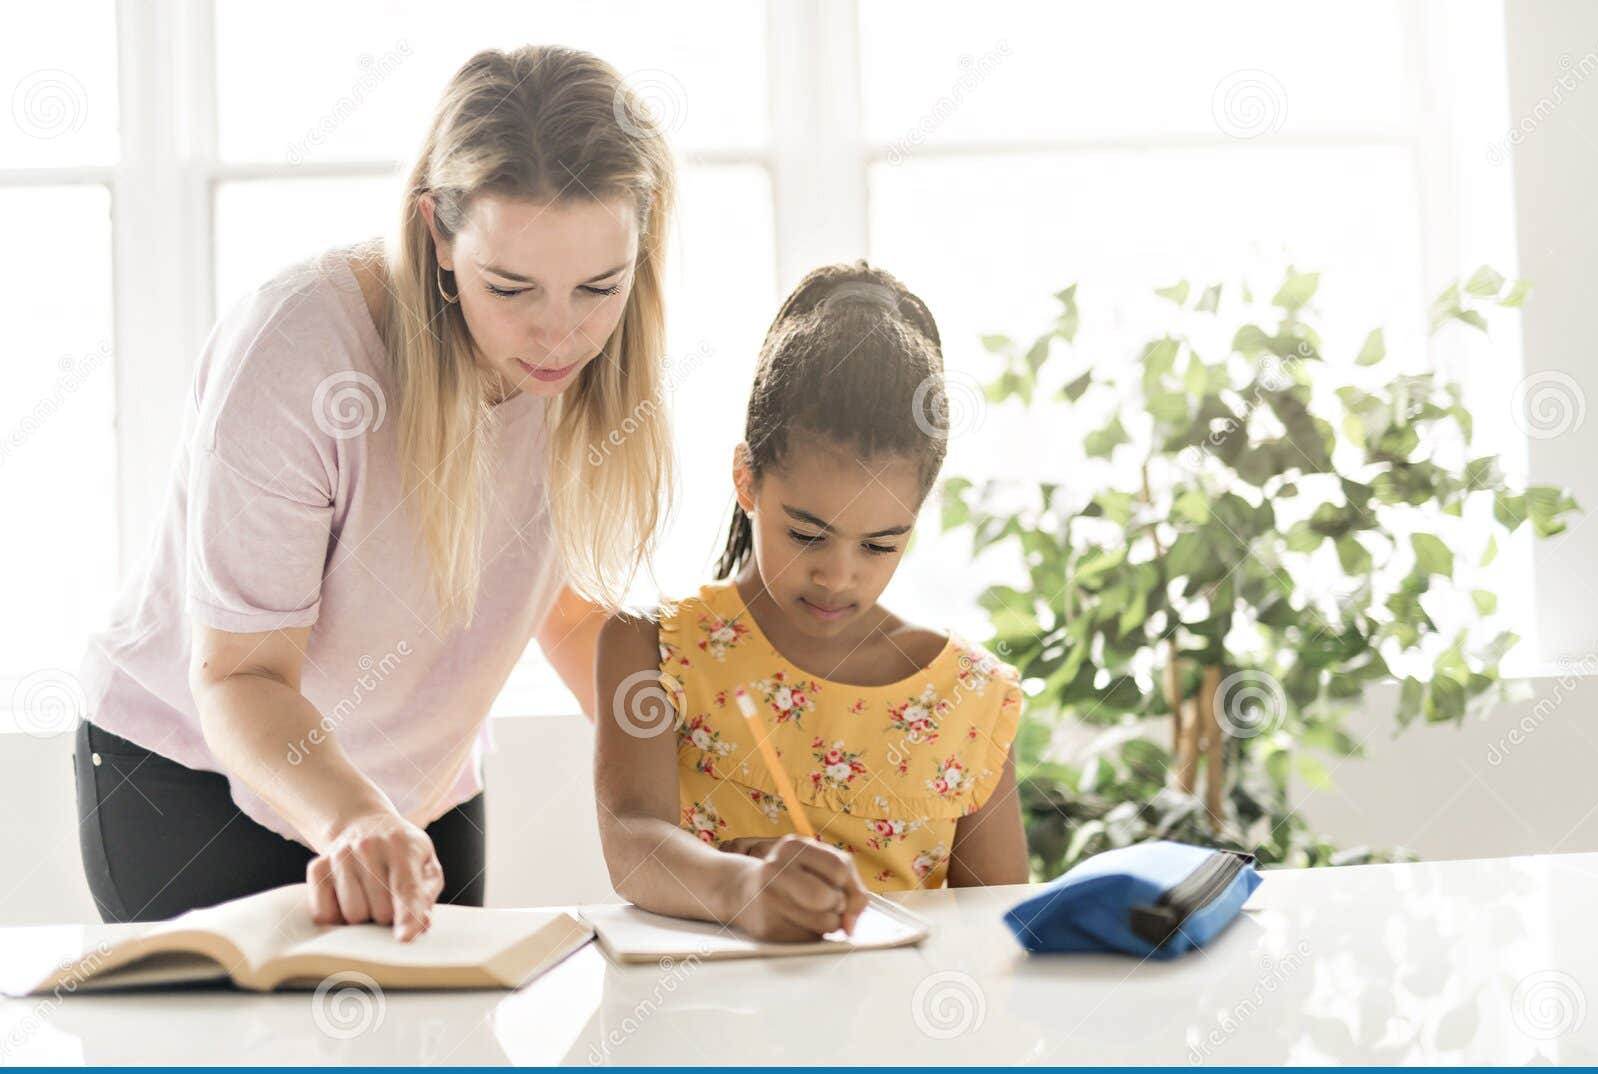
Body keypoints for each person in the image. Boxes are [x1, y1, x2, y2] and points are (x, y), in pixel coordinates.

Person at [73, 45, 676, 939]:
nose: (562, 332)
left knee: (443, 1073)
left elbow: (565, 607)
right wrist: (352, 818)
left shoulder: (591, 361)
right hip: (195, 776)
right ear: (436, 230)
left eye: (600, 286)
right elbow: (242, 673)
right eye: (510, 286)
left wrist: (710, 787)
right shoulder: (302, 351)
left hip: (418, 788)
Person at [594, 261, 1029, 942]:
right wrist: (741, 887)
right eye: (806, 533)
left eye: (880, 544)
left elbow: (997, 935)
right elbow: (633, 842)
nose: (837, 575)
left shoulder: (970, 698)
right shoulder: (653, 649)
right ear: (747, 479)